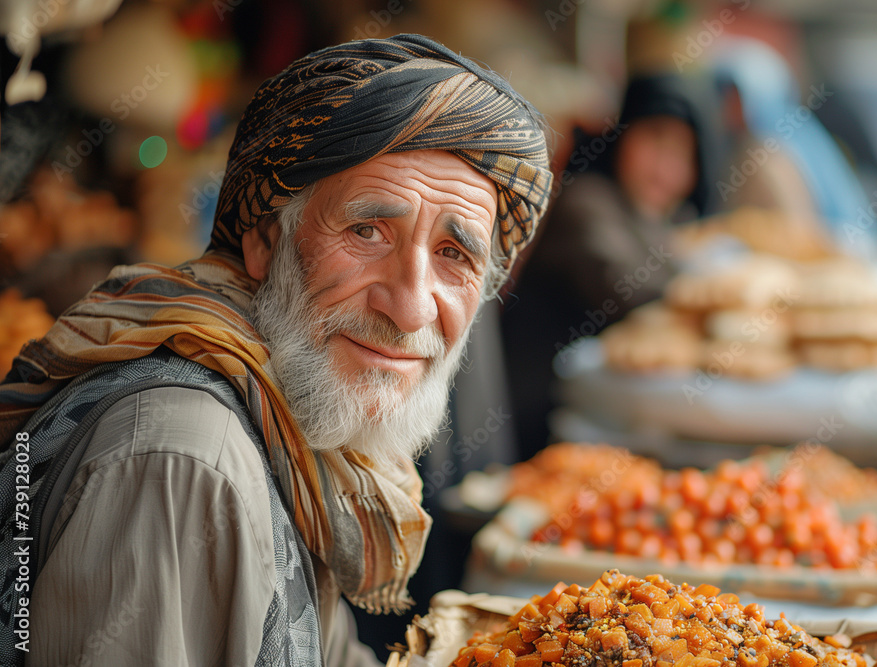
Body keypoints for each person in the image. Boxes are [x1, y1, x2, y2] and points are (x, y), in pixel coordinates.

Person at [0, 34, 551, 666]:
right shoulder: (184, 460)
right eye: (367, 231)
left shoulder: (292, 419)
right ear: (265, 241)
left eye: (455, 255)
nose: (411, 307)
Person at [501, 71, 723, 458]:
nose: (665, 166)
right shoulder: (586, 203)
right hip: (528, 424)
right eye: (655, 140)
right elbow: (626, 286)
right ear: (622, 136)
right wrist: (718, 297)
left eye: (684, 153)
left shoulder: (657, 217)